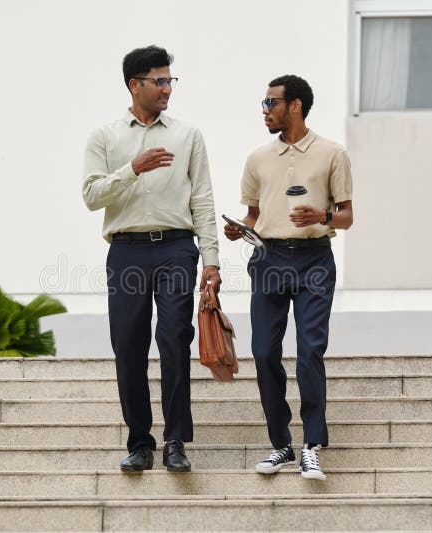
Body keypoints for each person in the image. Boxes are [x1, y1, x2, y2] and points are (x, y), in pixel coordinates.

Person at [82, 45, 221, 473]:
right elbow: (91, 196)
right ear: (134, 84)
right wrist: (133, 169)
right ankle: (140, 442)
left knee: (175, 337)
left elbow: (203, 199)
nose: (167, 89)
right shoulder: (105, 137)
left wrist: (211, 260)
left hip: (177, 247)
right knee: (128, 345)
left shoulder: (188, 135)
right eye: (159, 81)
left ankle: (176, 440)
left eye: (169, 80)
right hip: (126, 251)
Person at [224, 74, 353, 481]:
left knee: (310, 350)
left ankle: (311, 445)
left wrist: (322, 215)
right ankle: (280, 444)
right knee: (264, 352)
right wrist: (239, 229)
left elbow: (347, 216)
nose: (265, 110)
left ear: (294, 106)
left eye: (271, 103)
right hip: (269, 258)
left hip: (315, 259)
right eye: (264, 103)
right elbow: (253, 215)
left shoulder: (332, 153)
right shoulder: (257, 158)